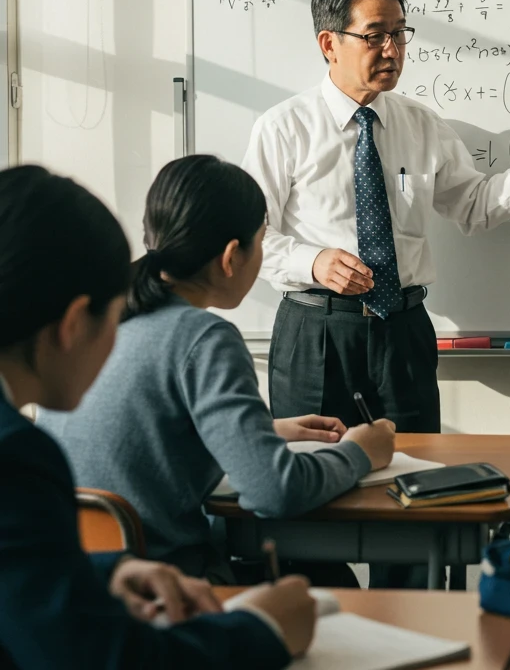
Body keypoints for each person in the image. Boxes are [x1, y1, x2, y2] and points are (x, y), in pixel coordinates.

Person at [242, 0, 510, 434]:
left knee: (417, 481)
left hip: (403, 332)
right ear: (329, 44)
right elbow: (246, 237)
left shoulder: (420, 125)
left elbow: (475, 206)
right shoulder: (283, 128)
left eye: (399, 34)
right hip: (317, 333)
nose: (392, 50)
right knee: (314, 485)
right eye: (374, 36)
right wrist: (313, 262)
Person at [0, 164, 316, 669]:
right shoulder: (16, 455)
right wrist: (263, 629)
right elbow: (98, 658)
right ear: (73, 324)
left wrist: (106, 570)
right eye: (112, 317)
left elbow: (19, 580)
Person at [39, 155, 396, 583]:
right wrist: (360, 452)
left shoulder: (96, 320)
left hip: (73, 577)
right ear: (231, 257)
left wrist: (264, 429)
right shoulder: (203, 338)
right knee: (326, 579)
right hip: (167, 587)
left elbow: (135, 430)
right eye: (261, 243)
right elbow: (275, 491)